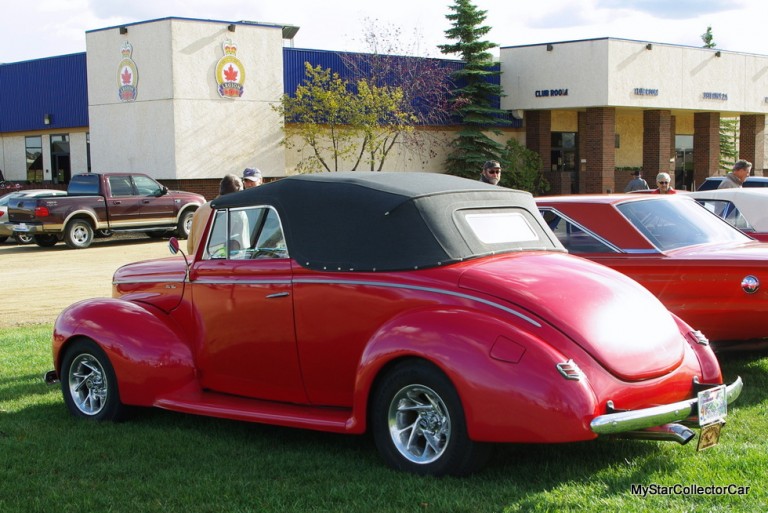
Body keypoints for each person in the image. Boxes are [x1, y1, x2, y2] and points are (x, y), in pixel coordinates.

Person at [187, 174, 243, 254]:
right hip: (222, 264)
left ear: (220, 189)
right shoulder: (239, 214)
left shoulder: (201, 210)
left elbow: (190, 246)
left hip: (198, 263)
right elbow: (242, 248)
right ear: (239, 193)